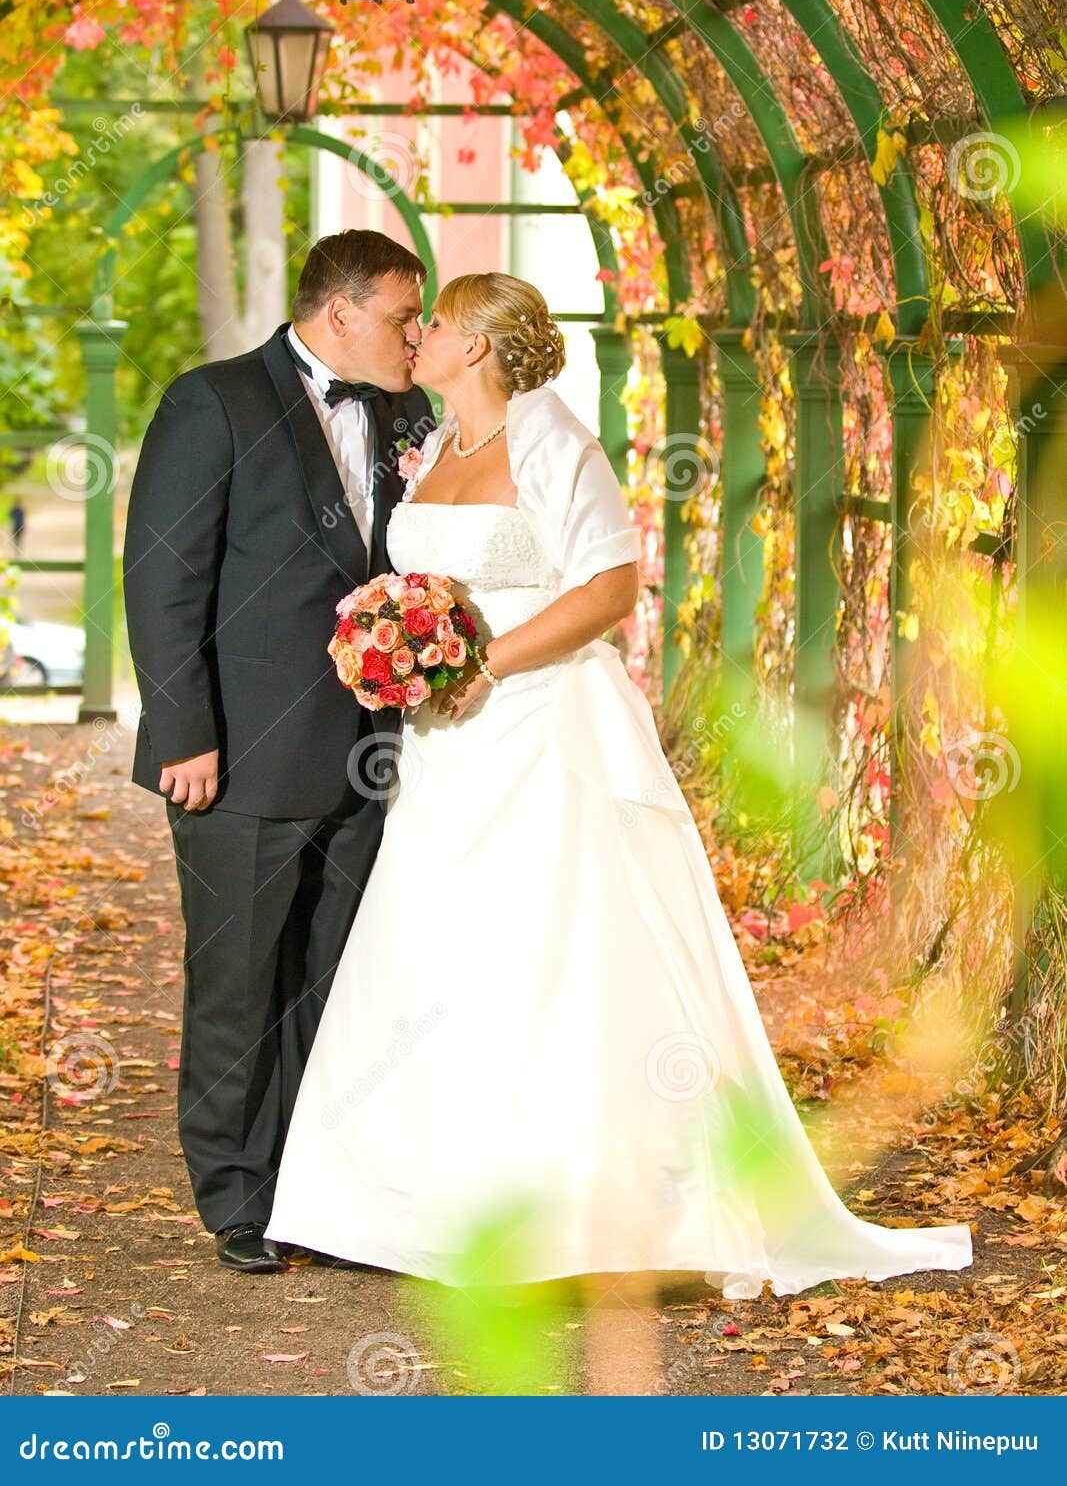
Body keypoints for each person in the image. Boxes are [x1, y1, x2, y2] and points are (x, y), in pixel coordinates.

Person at [264, 273, 974, 1295]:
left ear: (475, 347)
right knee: (433, 947)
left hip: (537, 731)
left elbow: (607, 587)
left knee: (553, 951)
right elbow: (420, 582)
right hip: (442, 749)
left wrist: (480, 663)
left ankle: (583, 1212)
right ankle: (411, 1202)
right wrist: (402, 643)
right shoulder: (428, 451)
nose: (414, 335)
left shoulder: (556, 444)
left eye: (434, 323)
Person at [123, 230, 436, 1273]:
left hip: (371, 753)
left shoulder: (408, 413)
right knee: (236, 980)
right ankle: (234, 1199)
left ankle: (314, 1188)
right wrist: (187, 735)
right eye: (403, 315)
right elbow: (163, 578)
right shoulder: (209, 402)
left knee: (331, 979)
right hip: (239, 755)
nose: (417, 335)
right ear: (338, 311)